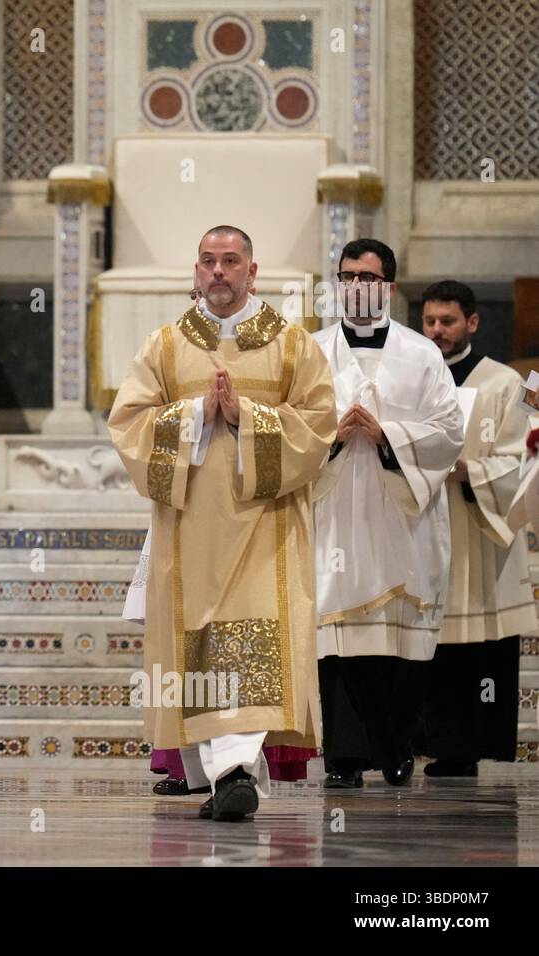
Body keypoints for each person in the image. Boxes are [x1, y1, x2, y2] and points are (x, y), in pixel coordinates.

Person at [108, 225, 336, 821]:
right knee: (200, 652)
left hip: (267, 529)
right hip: (188, 529)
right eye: (208, 261)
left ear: (252, 272)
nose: (218, 272)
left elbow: (318, 428)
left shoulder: (291, 345)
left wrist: (248, 419)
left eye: (230, 261)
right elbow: (128, 423)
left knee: (252, 646)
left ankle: (234, 772)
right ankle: (225, 775)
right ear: (196, 270)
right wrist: (192, 415)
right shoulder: (165, 345)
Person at [312, 239, 464, 789]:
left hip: (403, 518)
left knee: (396, 647)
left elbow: (450, 431)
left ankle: (394, 744)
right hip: (335, 517)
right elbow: (288, 428)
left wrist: (387, 437)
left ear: (389, 288)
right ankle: (345, 759)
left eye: (368, 278)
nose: (357, 287)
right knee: (338, 640)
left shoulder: (421, 354)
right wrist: (330, 435)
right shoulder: (311, 352)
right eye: (347, 277)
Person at [413, 279, 534, 776]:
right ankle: (426, 743)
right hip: (422, 531)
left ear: (473, 323)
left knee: (478, 657)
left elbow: (525, 459)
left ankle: (468, 748)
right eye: (430, 322)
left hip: (479, 532)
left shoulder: (507, 384)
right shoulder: (413, 379)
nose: (438, 331)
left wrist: (473, 472)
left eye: (448, 322)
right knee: (427, 650)